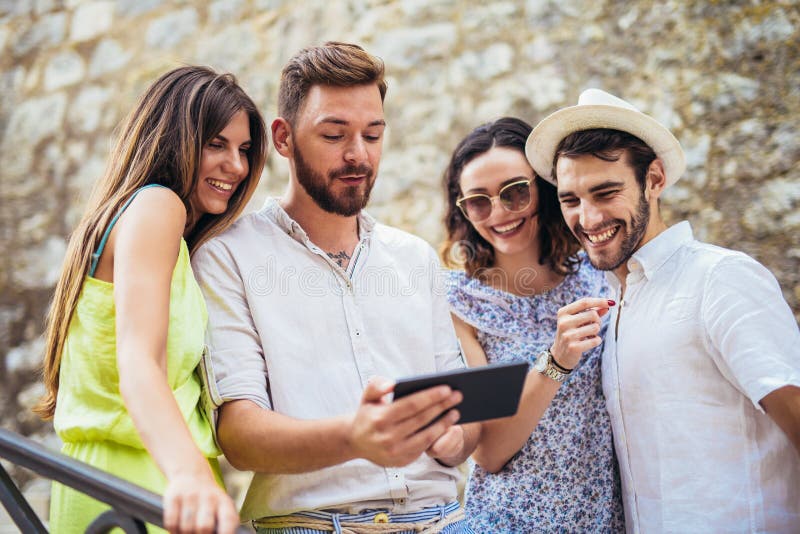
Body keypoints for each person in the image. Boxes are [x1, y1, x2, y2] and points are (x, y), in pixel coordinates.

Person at [191, 42, 479, 533]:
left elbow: (460, 403)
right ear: (283, 138)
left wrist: (458, 437)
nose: (358, 155)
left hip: (446, 520)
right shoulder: (228, 256)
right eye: (334, 134)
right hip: (313, 523)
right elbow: (239, 435)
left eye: (373, 134)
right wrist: (355, 437)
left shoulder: (413, 258)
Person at [525, 88, 800, 532]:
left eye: (606, 192)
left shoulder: (720, 279)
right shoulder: (614, 310)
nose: (588, 219)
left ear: (654, 179)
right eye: (571, 200)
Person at [36, 65, 268, 533]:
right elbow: (139, 363)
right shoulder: (158, 206)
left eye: (243, 150)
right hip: (145, 483)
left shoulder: (146, 222)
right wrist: (189, 475)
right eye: (216, 144)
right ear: (173, 139)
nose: (237, 167)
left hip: (137, 480)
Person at [441, 117, 624, 532]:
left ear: (543, 188)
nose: (499, 213)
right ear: (464, 211)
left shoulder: (601, 274)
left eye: (515, 192)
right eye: (478, 201)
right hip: (505, 522)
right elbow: (488, 453)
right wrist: (556, 361)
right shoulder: (459, 305)